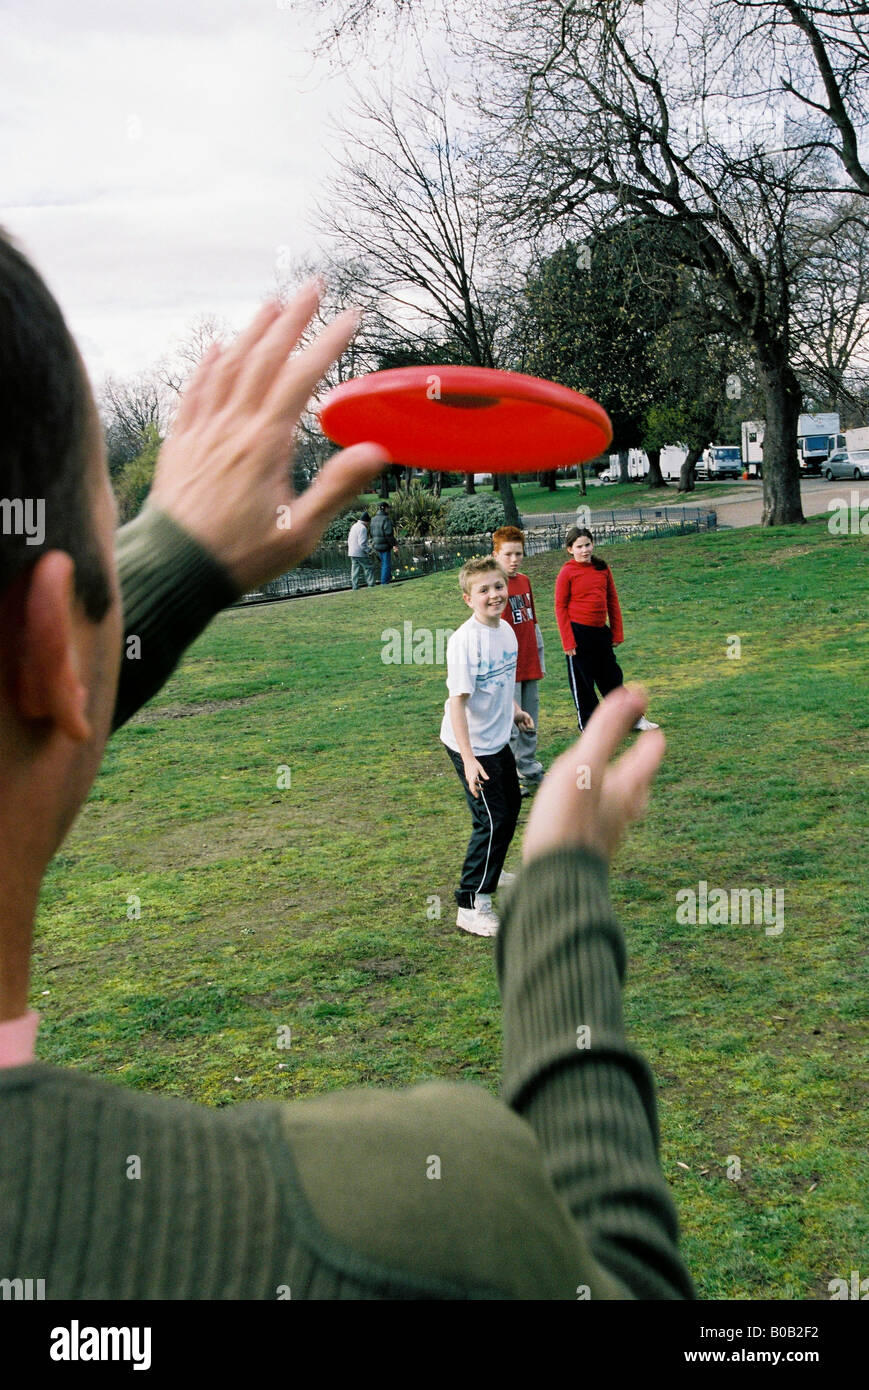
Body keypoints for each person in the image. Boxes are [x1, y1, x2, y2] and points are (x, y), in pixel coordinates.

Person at [0, 232, 693, 1299]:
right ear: (51, 642)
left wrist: (171, 553)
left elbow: (47, 662)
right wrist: (560, 902)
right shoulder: (399, 1229)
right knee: (490, 833)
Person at [439, 557, 535, 938]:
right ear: (468, 599)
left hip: (496, 741)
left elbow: (501, 681)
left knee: (509, 809)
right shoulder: (465, 641)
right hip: (471, 745)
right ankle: (471, 904)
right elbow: (456, 704)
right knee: (491, 821)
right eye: (484, 590)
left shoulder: (507, 631)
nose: (494, 595)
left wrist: (514, 711)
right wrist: (468, 760)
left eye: (498, 586)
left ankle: (490, 872)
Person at [555, 525, 659, 734]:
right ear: (570, 549)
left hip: (600, 633)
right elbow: (560, 607)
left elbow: (612, 599)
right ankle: (591, 727)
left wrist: (617, 632)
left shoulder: (602, 568)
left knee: (612, 678)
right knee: (584, 685)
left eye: (588, 545)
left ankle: (633, 719)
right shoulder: (567, 572)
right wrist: (568, 642)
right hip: (578, 635)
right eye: (579, 547)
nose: (585, 550)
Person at [493, 525, 546, 797]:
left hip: (529, 663)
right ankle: (509, 773)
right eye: (508, 554)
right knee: (510, 723)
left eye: (519, 554)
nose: (514, 560)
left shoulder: (524, 581)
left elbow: (532, 621)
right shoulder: (493, 587)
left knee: (530, 719)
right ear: (496, 554)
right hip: (506, 669)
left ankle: (528, 766)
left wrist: (539, 659)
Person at [370, 499, 396, 584]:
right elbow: (389, 534)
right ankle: (384, 582)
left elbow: (371, 532)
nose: (389, 510)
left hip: (376, 544)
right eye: (388, 508)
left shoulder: (373, 519)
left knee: (383, 564)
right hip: (384, 545)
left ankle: (386, 579)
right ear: (385, 508)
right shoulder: (386, 519)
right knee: (386, 564)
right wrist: (394, 545)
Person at [347, 509, 375, 588]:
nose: (369, 524)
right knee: (368, 567)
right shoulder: (363, 528)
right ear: (366, 521)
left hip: (352, 552)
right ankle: (371, 584)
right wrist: (369, 550)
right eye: (368, 522)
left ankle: (355, 586)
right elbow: (362, 543)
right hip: (359, 552)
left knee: (355, 570)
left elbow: (349, 540)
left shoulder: (354, 526)